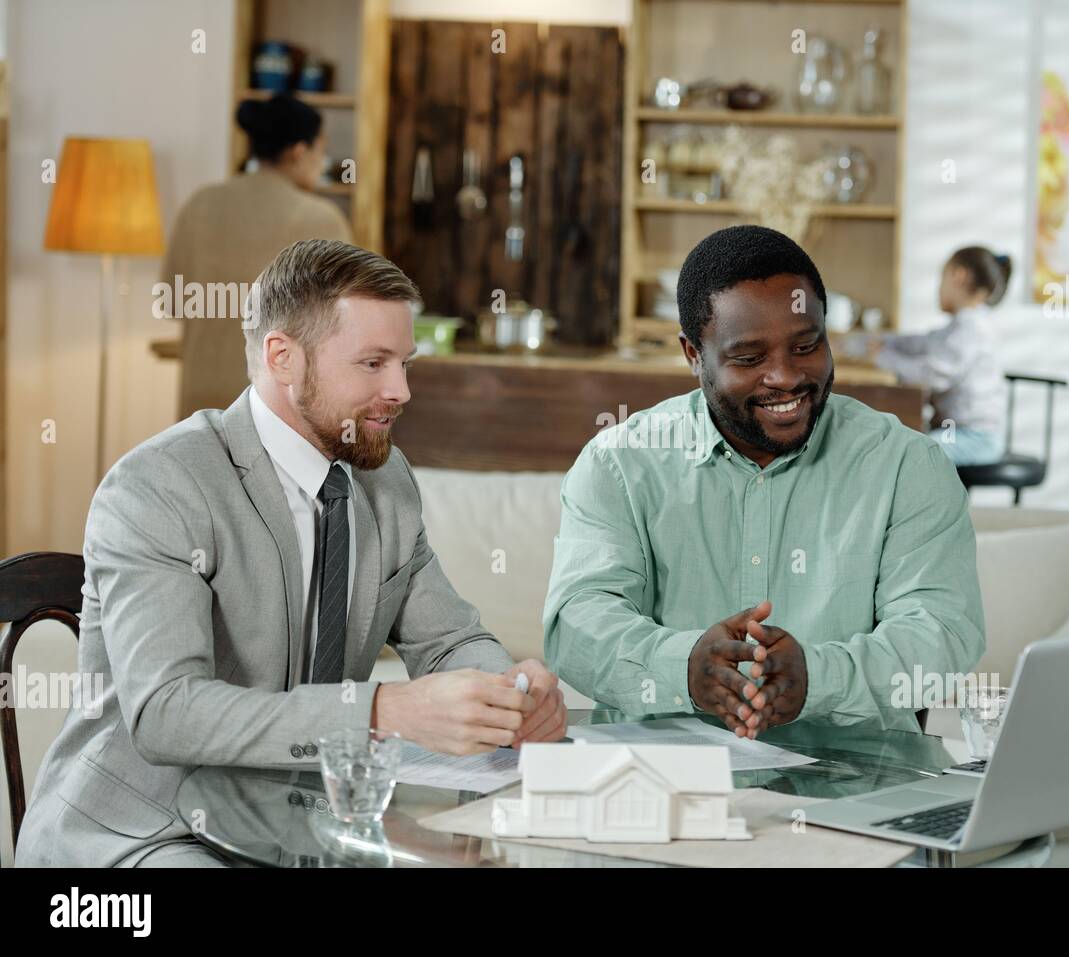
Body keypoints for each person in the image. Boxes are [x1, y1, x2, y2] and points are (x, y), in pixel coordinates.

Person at [17, 240, 566, 867]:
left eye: (405, 363)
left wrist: (510, 691)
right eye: (373, 363)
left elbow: (446, 642)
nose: (401, 389)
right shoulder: (159, 486)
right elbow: (166, 713)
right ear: (284, 358)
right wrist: (381, 709)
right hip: (143, 836)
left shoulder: (386, 484)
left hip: (306, 829)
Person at [543, 225, 985, 739]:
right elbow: (577, 625)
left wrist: (819, 677)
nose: (785, 377)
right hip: (661, 782)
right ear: (693, 354)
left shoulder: (907, 466)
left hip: (848, 793)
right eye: (750, 359)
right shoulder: (619, 462)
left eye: (806, 345)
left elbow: (943, 633)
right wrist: (683, 666)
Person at [161, 94, 352, 419]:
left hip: (200, 402)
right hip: (275, 408)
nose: (323, 162)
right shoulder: (320, 218)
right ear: (298, 152)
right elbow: (344, 325)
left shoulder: (200, 205)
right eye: (321, 150)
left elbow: (172, 304)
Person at [869, 246, 1011, 466]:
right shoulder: (963, 326)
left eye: (941, 278)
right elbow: (921, 343)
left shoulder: (971, 330)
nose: (938, 289)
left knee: (909, 451)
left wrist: (883, 356)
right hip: (958, 431)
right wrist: (885, 342)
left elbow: (930, 375)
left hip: (974, 438)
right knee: (905, 442)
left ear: (958, 276)